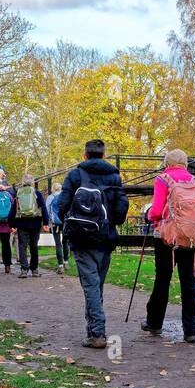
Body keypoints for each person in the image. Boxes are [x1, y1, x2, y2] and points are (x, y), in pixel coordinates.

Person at [56, 138, 128, 348]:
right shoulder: (114, 176)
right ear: (104, 155)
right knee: (97, 284)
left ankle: (97, 333)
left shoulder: (76, 175)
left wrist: (71, 220)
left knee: (90, 285)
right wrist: (111, 222)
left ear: (84, 155)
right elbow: (122, 205)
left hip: (81, 238)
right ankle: (93, 330)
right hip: (105, 237)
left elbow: (62, 205)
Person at [141, 149, 195, 342]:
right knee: (190, 283)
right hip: (192, 239)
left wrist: (150, 217)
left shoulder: (163, 179)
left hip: (167, 239)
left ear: (166, 163)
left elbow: (155, 211)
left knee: (162, 279)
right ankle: (191, 331)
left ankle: (154, 323)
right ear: (186, 163)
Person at [12, 173, 51, 277]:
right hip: (35, 222)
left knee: (22, 246)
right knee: (34, 246)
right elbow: (43, 208)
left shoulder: (18, 193)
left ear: (23, 182)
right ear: (32, 182)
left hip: (21, 223)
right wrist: (46, 222)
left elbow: (14, 209)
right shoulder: (37, 193)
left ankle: (24, 270)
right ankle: (34, 269)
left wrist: (12, 224)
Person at [48, 182, 69, 274]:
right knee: (65, 242)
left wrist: (48, 222)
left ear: (53, 188)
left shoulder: (50, 197)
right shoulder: (65, 197)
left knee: (58, 243)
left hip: (55, 223)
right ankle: (66, 262)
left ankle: (60, 265)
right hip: (65, 222)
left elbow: (47, 210)